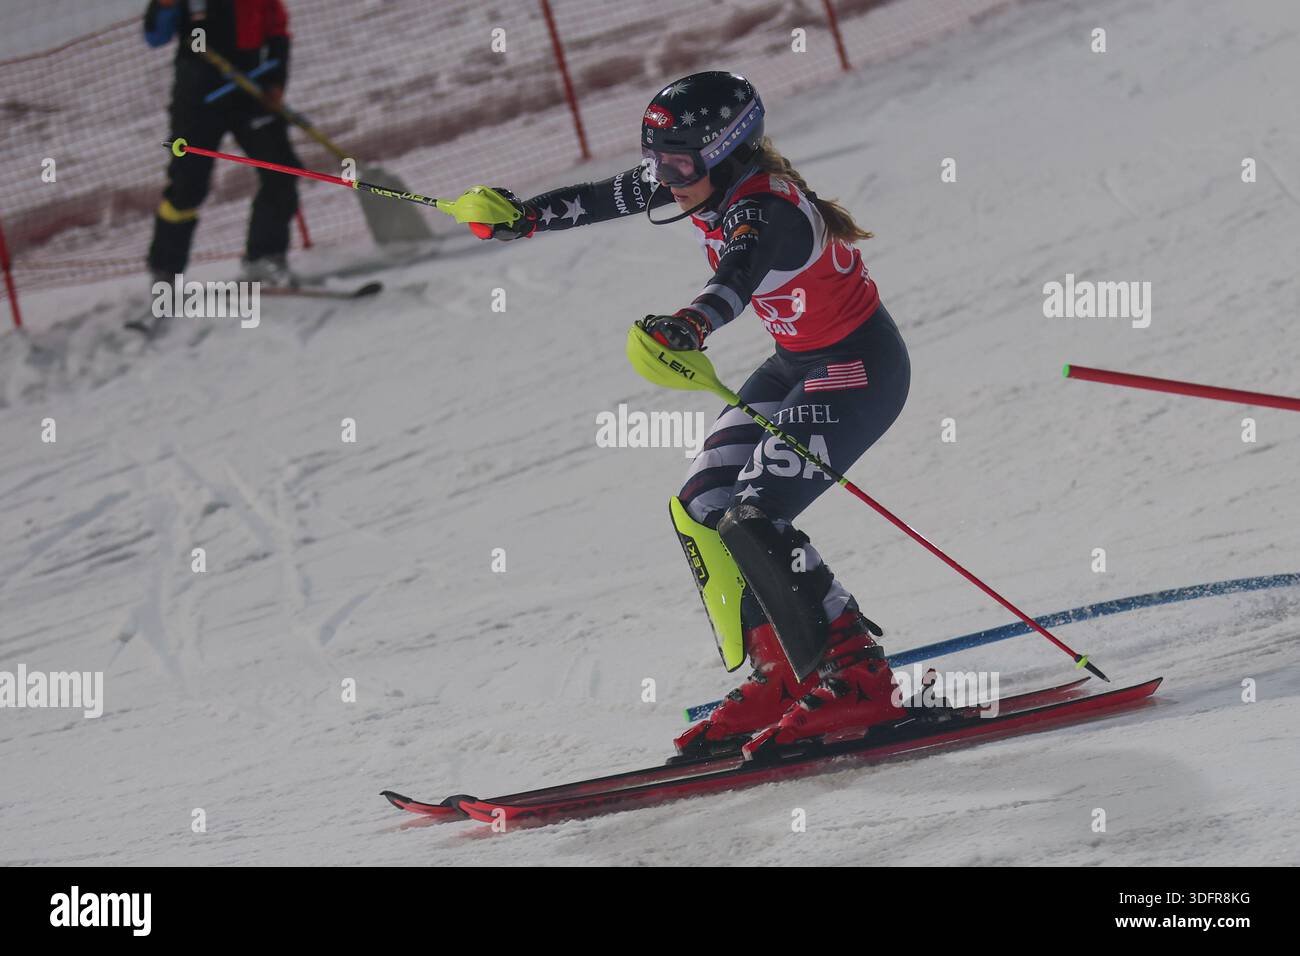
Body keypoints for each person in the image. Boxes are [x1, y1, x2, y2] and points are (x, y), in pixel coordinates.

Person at [476, 71, 912, 759]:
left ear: (728, 151)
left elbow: (734, 279)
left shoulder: (762, 211)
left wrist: (690, 325)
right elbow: (598, 198)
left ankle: (860, 677)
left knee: (756, 511)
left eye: (676, 162)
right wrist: (523, 216)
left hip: (858, 369)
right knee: (704, 502)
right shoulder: (701, 178)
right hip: (799, 361)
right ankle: (786, 674)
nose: (663, 177)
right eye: (657, 160)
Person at [143, 0, 299, 285]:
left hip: (250, 89)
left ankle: (264, 259)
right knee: (187, 186)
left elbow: (277, 31)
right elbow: (155, 36)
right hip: (197, 96)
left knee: (282, 170)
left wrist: (276, 81)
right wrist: (164, 8)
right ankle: (164, 273)